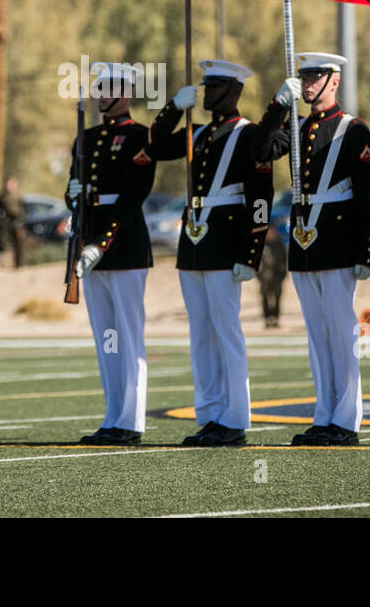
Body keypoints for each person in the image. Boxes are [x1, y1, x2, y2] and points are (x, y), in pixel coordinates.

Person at [253, 52, 370, 446]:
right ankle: (324, 413)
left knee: (341, 333)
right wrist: (277, 105)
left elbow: (364, 195)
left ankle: (347, 420)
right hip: (305, 243)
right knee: (317, 335)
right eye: (304, 77)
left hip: (339, 243)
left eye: (315, 78)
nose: (307, 85)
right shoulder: (296, 124)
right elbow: (260, 149)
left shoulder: (353, 130)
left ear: (334, 80)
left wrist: (364, 253)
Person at [148, 59, 273, 448]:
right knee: (201, 334)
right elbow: (152, 145)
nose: (206, 93)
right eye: (204, 87)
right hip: (195, 244)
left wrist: (250, 253)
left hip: (225, 243)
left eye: (215, 87)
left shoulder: (250, 134)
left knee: (225, 332)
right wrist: (173, 107)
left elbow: (260, 198)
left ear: (234, 91)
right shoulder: (196, 133)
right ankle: (209, 414)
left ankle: (235, 418)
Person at [66, 62, 157, 446]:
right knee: (107, 337)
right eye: (100, 87)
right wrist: (71, 193)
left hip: (124, 247)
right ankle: (112, 416)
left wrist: (99, 244)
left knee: (128, 335)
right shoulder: (85, 139)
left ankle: (131, 421)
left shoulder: (140, 137)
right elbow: (78, 193)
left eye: (110, 88)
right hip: (90, 245)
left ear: (127, 93)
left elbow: (132, 198)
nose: (102, 94)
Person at [256, 226, 287, 329]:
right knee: (264, 298)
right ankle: (267, 318)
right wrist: (259, 276)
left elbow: (284, 260)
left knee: (277, 298)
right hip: (264, 277)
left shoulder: (279, 244)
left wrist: (282, 275)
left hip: (277, 276)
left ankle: (275, 317)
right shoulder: (261, 244)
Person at [0, 177, 26, 253]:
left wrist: (21, 219)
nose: (10, 186)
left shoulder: (19, 195)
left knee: (17, 239)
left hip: (17, 219)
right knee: (4, 238)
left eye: (12, 184)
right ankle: (7, 253)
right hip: (6, 219)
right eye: (8, 184)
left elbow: (23, 208)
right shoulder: (3, 195)